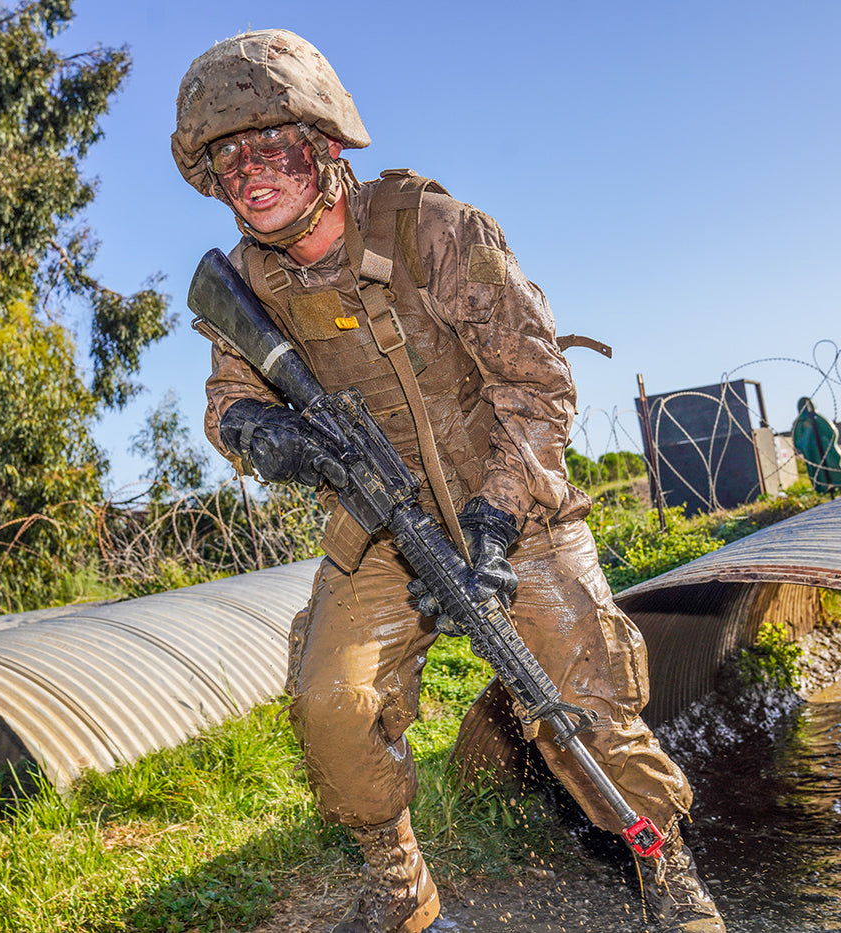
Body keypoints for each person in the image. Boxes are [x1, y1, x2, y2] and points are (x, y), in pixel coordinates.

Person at [172, 30, 724, 933]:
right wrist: (270, 436)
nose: (251, 175)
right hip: (378, 528)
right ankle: (399, 883)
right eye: (228, 162)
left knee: (581, 705)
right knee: (334, 703)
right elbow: (227, 406)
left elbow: (537, 389)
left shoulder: (433, 229)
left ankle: (665, 866)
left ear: (327, 147)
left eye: (270, 148)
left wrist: (497, 526)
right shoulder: (245, 286)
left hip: (515, 504)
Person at [791, 397, 841, 497]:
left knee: (833, 466)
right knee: (817, 471)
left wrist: (825, 440)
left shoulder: (819, 419)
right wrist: (808, 441)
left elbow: (831, 431)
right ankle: (822, 489)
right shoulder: (800, 423)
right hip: (812, 451)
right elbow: (798, 439)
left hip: (826, 448)